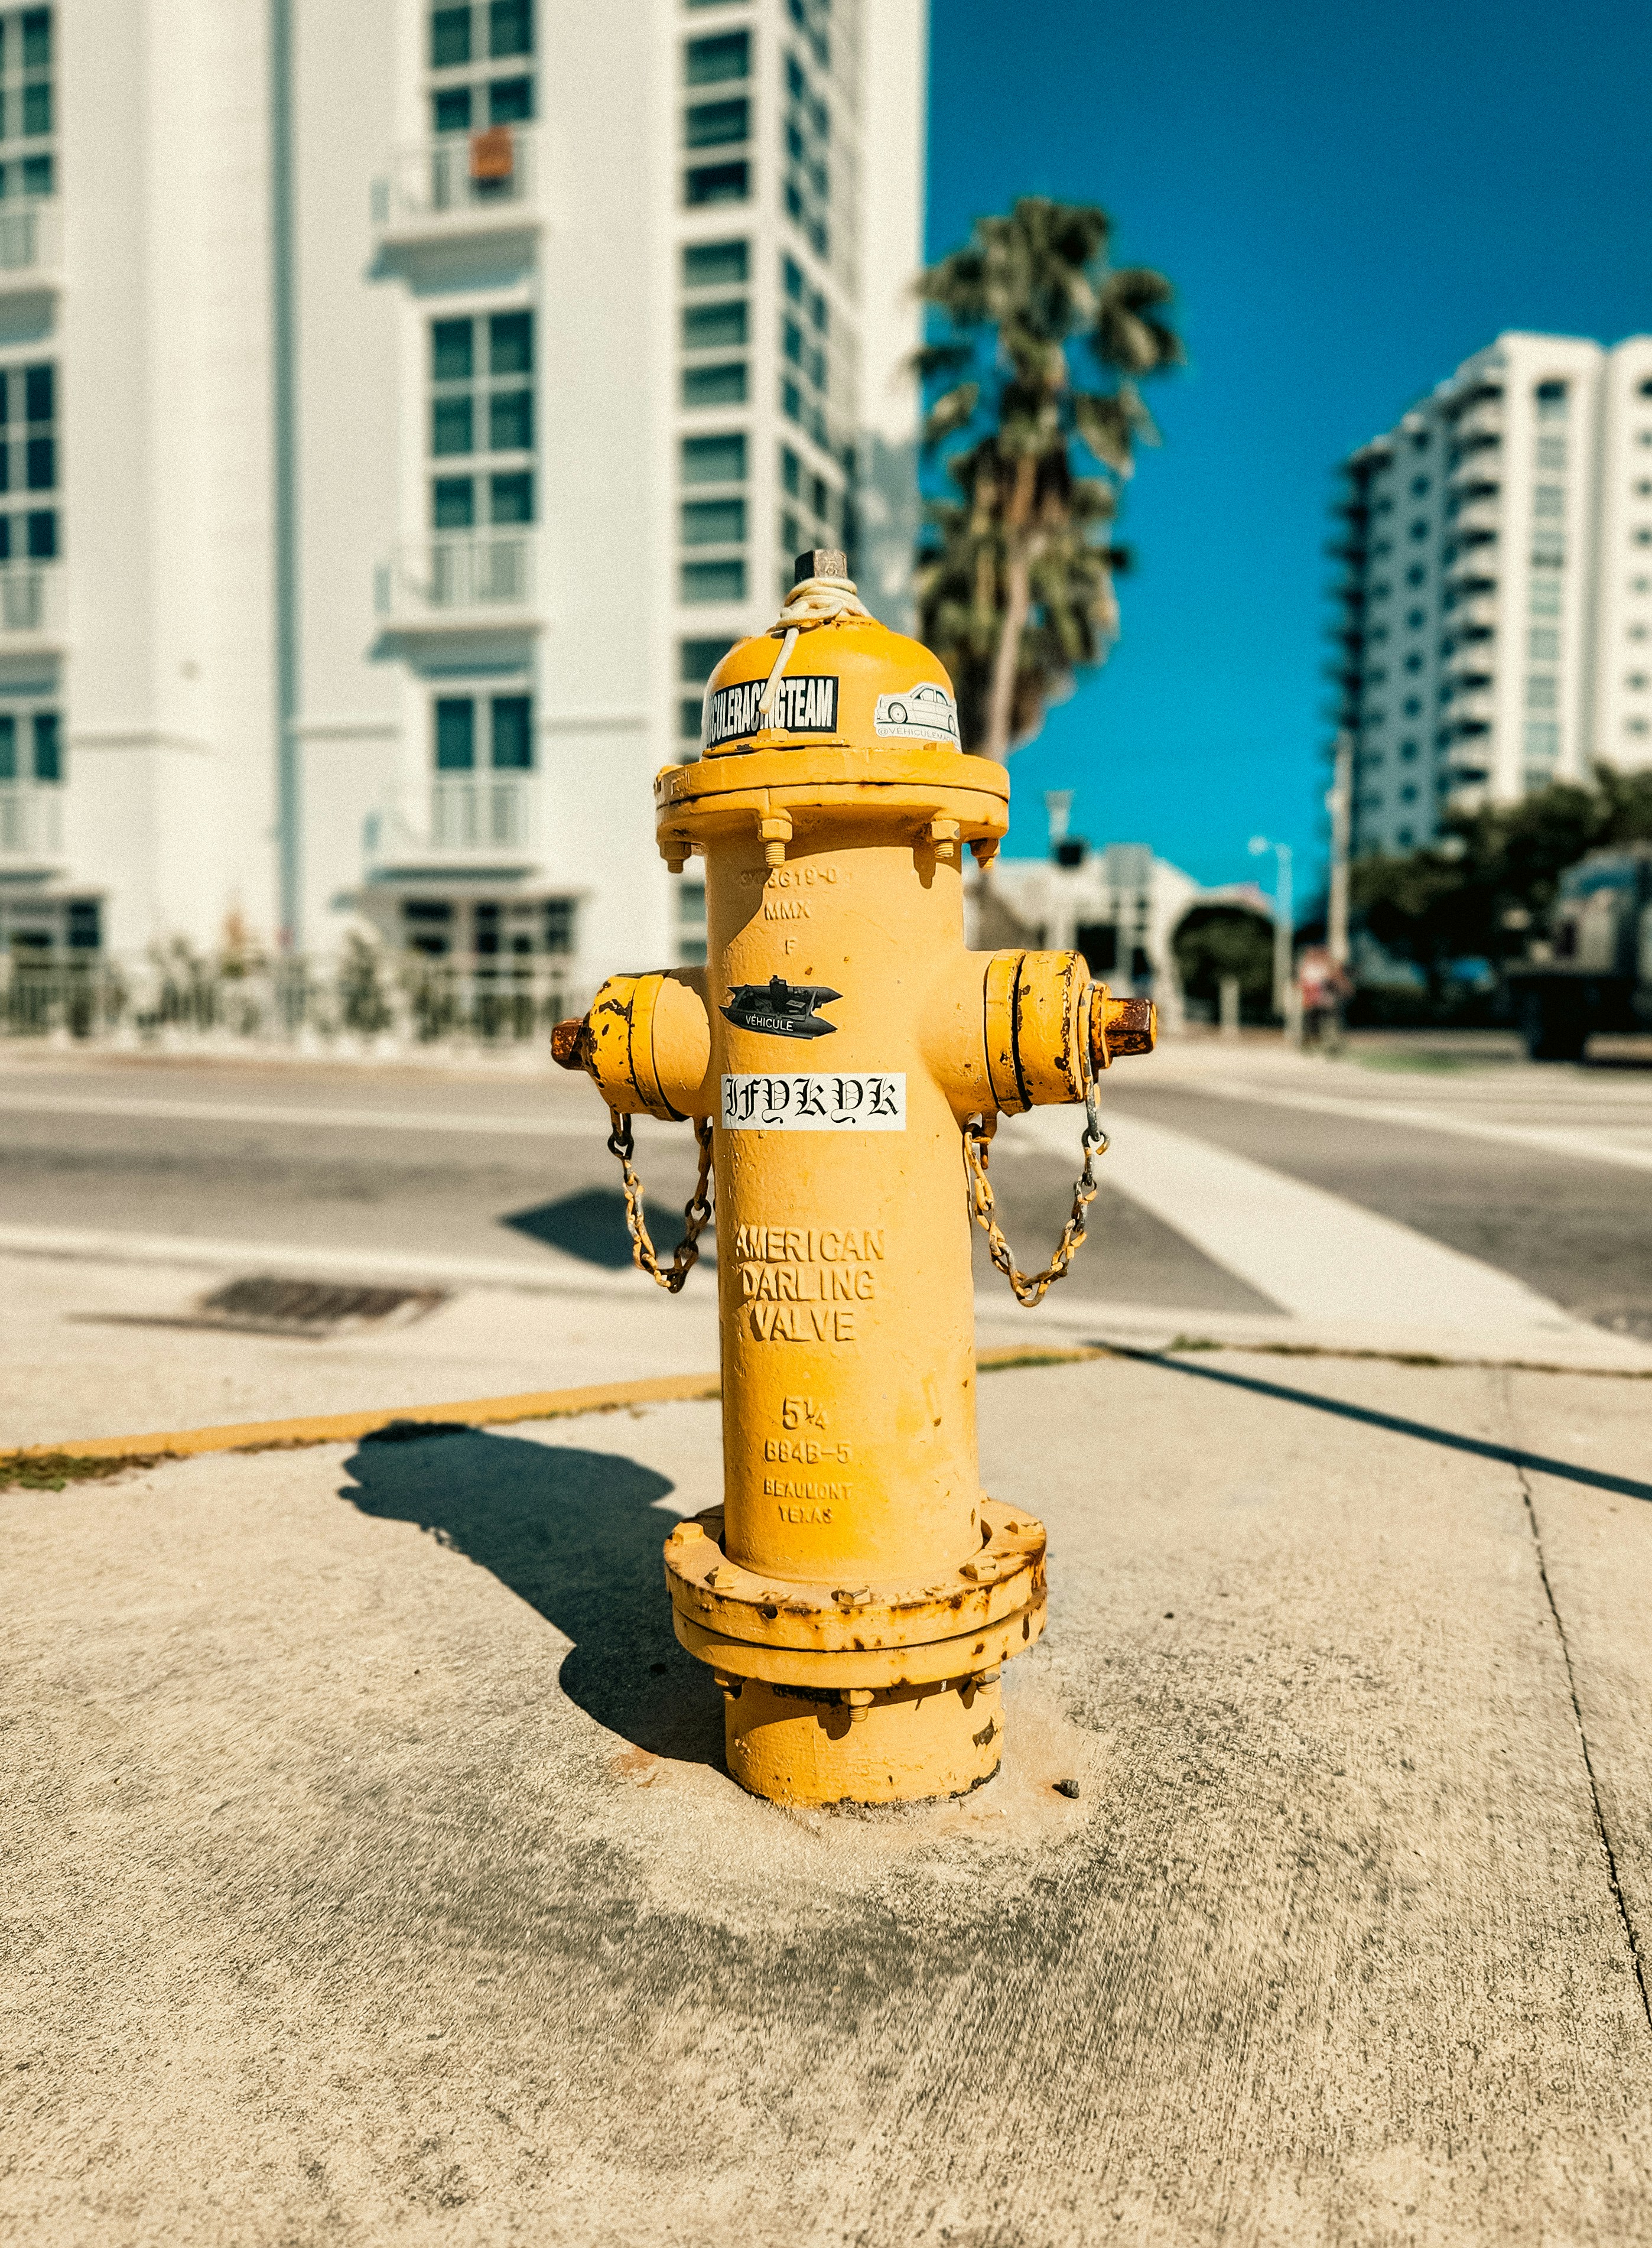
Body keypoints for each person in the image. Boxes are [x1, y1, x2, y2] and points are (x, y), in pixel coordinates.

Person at [1297, 947, 1350, 1052]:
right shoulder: (1310, 968)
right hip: (1314, 1003)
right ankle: (1311, 1044)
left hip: (1327, 1003)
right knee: (1312, 1025)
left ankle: (1331, 1045)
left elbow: (1340, 983)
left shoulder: (1328, 968)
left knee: (1329, 1024)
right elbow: (1304, 984)